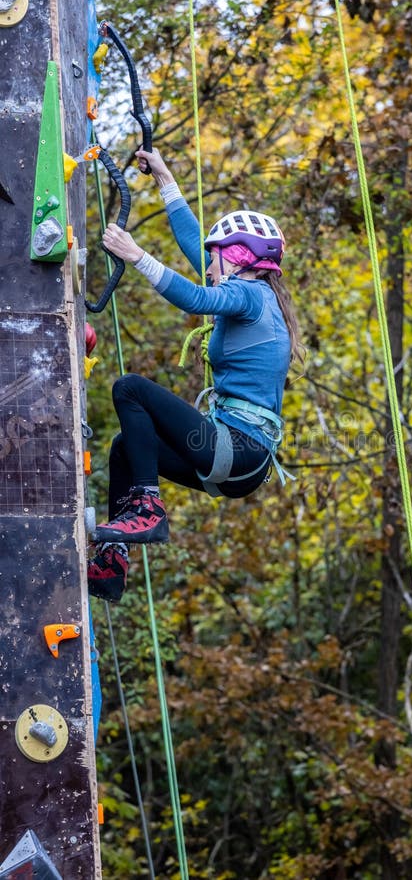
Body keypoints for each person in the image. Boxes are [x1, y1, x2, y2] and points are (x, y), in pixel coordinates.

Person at [88, 148, 303, 603]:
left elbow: (194, 299)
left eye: (215, 256)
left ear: (240, 256)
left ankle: (148, 509)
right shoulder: (249, 292)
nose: (206, 264)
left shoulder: (250, 296)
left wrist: (137, 255)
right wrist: (166, 180)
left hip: (238, 450)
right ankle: (110, 563)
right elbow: (193, 243)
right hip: (235, 461)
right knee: (126, 446)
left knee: (131, 390)